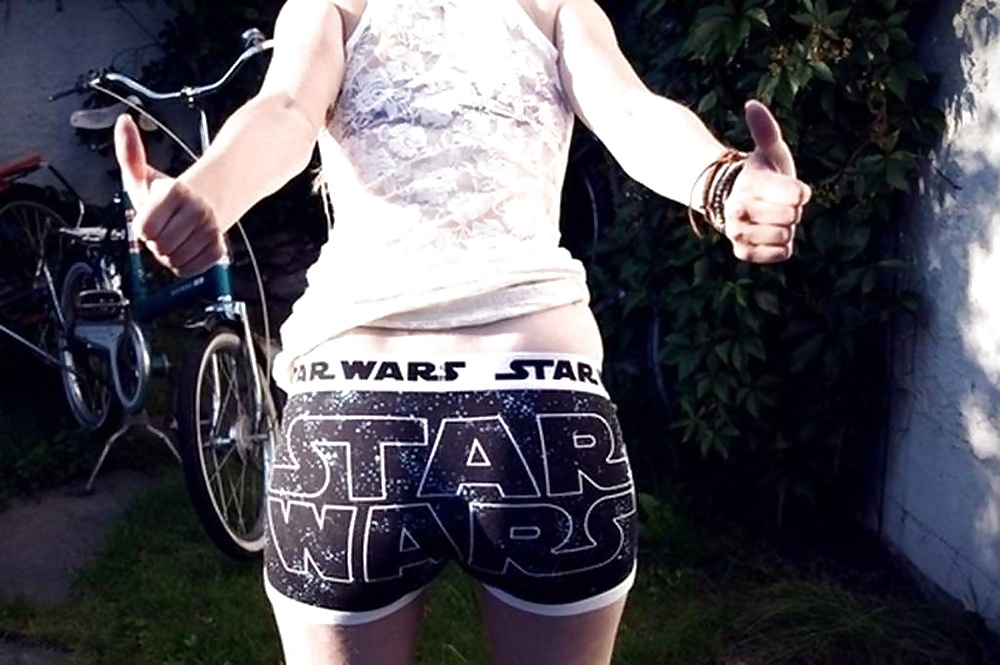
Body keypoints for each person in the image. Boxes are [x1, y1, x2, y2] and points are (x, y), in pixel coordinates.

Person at [113, 0, 811, 662]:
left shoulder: (337, 8)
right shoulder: (553, 9)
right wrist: (719, 184)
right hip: (539, 415)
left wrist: (210, 193)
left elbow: (287, 110)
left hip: (354, 420)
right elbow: (630, 111)